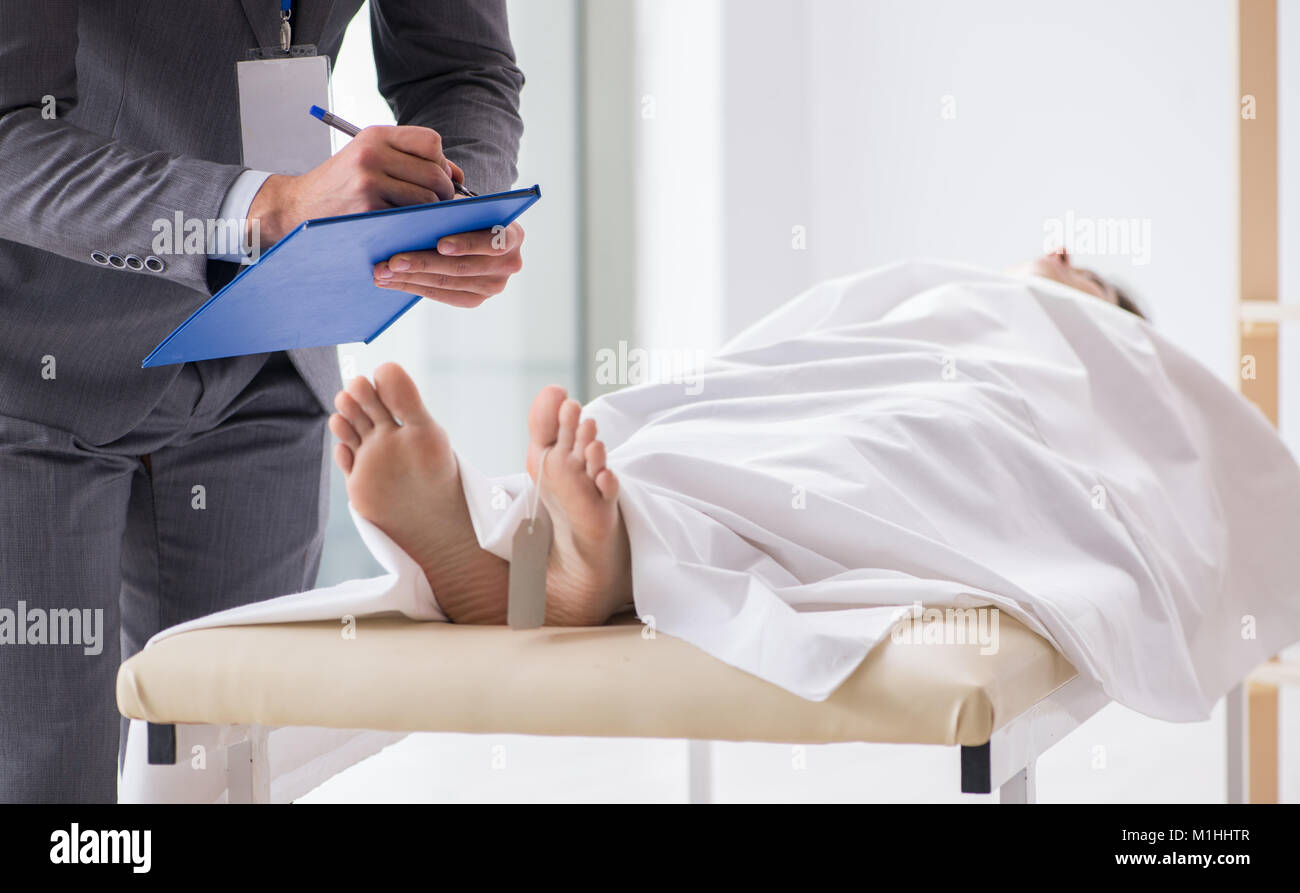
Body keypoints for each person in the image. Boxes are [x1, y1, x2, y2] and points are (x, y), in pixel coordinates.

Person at [0, 0, 524, 802]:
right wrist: (259, 206)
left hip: (271, 358)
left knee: (225, 780)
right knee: (51, 795)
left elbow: (463, 68)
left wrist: (463, 204)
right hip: (40, 363)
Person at [328, 252, 1147, 630]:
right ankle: (585, 546)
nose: (1068, 257)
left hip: (968, 404)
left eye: (1093, 284)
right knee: (723, 408)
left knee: (897, 438)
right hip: (848, 371)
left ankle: (580, 554)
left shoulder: (1079, 372)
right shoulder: (931, 294)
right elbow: (804, 344)